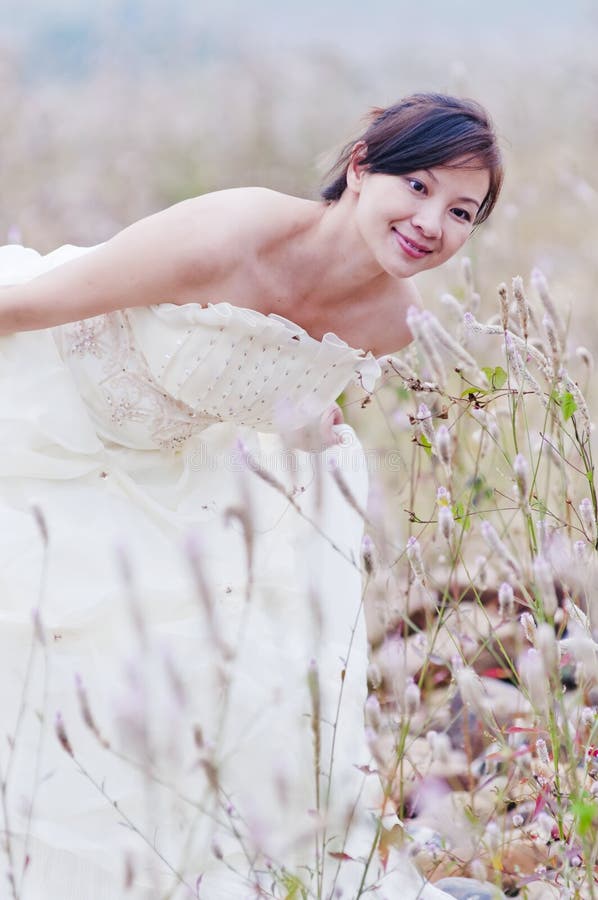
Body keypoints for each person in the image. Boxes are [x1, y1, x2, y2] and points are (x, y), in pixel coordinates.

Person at [0, 93, 502, 899]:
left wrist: (316, 437)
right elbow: (20, 310)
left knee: (178, 687)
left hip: (167, 471)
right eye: (417, 186)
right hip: (38, 405)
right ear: (362, 166)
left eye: (461, 210)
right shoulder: (229, 234)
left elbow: (280, 387)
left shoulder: (397, 323)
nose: (431, 222)